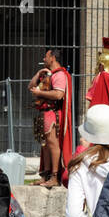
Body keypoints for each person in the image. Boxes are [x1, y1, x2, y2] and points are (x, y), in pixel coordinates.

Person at [29, 47, 74, 187]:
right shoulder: (48, 74)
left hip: (53, 113)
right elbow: (31, 87)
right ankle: (46, 175)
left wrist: (39, 93)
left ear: (52, 58)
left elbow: (58, 95)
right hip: (45, 113)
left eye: (46, 56)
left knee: (53, 144)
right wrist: (38, 73)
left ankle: (55, 176)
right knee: (45, 145)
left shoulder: (59, 75)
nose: (44, 59)